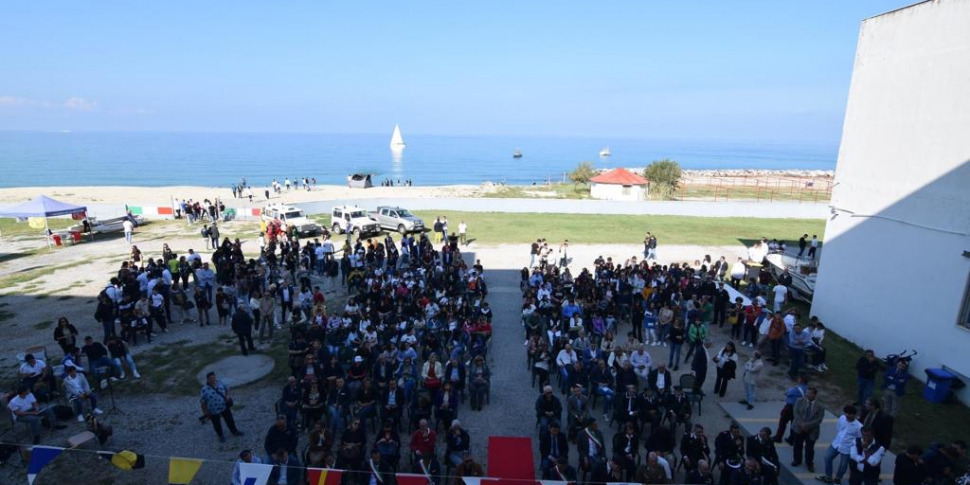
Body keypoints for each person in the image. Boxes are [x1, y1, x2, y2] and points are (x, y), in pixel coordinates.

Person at [818, 405, 863, 485]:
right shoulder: (842, 418)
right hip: (836, 443)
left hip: (847, 447)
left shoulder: (859, 427)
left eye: (850, 414)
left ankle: (838, 478)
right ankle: (828, 476)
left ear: (854, 415)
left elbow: (858, 439)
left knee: (843, 465)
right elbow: (838, 427)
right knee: (827, 457)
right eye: (846, 413)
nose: (847, 415)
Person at [200, 371, 244, 443]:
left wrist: (228, 396)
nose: (212, 380)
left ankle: (235, 431)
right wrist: (205, 413)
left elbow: (227, 389)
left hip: (224, 406)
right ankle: (220, 436)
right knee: (216, 424)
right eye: (210, 378)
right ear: (207, 380)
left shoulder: (220, 382)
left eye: (213, 378)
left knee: (230, 420)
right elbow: (203, 402)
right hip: (213, 410)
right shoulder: (204, 390)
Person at [791, 387, 824, 473]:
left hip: (812, 430)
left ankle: (809, 463)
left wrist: (806, 426)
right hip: (799, 427)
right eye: (807, 393)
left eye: (810, 393)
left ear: (815, 395)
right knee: (797, 445)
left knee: (809, 448)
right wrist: (801, 424)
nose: (807, 395)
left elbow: (819, 419)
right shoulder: (799, 401)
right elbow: (796, 412)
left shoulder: (820, 406)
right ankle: (797, 460)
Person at [773, 374, 807, 443]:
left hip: (790, 407)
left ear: (801, 380)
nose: (798, 379)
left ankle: (778, 437)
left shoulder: (796, 389)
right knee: (793, 423)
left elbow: (787, 393)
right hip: (799, 408)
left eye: (799, 378)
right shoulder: (806, 389)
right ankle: (792, 439)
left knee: (782, 422)